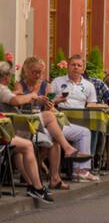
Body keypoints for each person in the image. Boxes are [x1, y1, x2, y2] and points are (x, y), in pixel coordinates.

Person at [14, 56, 93, 189]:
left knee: (55, 138)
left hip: (41, 123)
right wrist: (33, 98)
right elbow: (15, 97)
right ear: (26, 71)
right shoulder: (20, 85)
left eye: (41, 72)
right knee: (53, 131)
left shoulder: (47, 86)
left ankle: (54, 178)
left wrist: (51, 103)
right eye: (35, 72)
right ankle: (66, 152)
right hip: (25, 123)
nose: (38, 75)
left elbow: (48, 107)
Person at [0, 62, 54, 202]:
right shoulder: (2, 88)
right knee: (27, 145)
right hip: (3, 135)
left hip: (7, 131)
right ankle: (37, 188)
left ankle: (33, 185)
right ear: (6, 77)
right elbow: (15, 100)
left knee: (23, 144)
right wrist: (32, 96)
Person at [47, 53, 101, 183]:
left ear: (83, 68)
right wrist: (57, 101)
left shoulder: (88, 85)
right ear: (68, 67)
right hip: (59, 120)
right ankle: (80, 171)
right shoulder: (57, 82)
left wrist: (93, 106)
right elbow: (48, 101)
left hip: (80, 119)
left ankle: (80, 171)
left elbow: (92, 103)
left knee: (88, 131)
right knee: (84, 132)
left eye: (79, 65)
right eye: (73, 65)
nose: (76, 67)